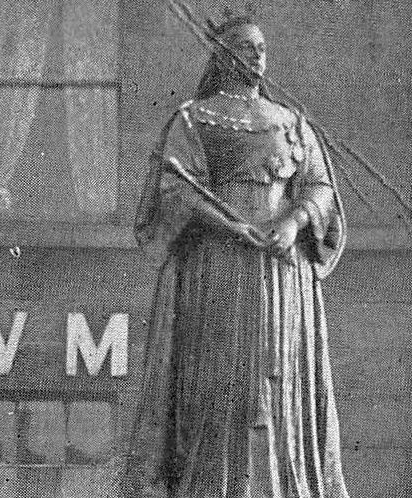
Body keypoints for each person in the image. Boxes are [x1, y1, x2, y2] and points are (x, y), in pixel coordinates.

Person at [127, 14, 350, 497]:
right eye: (246, 47)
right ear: (222, 55)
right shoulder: (193, 119)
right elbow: (175, 189)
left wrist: (291, 223)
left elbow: (319, 188)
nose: (257, 56)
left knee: (279, 383)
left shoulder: (291, 123)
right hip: (217, 269)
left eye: (261, 48)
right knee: (222, 383)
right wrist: (228, 225)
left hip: (282, 274)